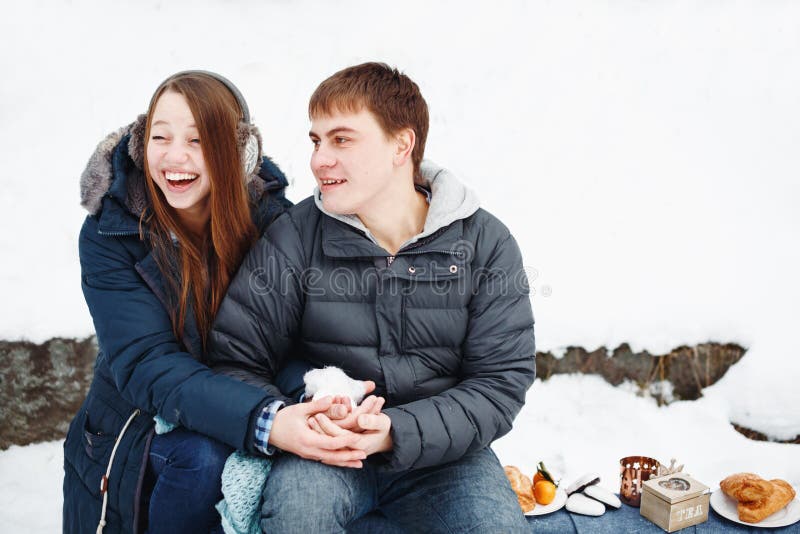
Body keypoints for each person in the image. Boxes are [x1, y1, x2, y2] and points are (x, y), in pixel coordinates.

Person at [208, 62, 537, 533]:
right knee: (298, 516)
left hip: (444, 457)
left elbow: (500, 381)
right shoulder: (296, 237)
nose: (320, 160)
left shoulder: (484, 242)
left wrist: (396, 432)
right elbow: (234, 360)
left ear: (401, 145)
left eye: (342, 139)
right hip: (324, 451)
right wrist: (296, 415)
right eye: (316, 141)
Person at [62, 71, 369, 534]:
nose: (174, 156)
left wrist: (319, 390)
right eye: (159, 136)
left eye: (197, 140)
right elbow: (149, 364)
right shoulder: (113, 231)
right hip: (137, 424)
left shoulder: (273, 224)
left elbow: (279, 343)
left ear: (236, 151)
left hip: (237, 395)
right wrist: (270, 421)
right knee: (202, 459)